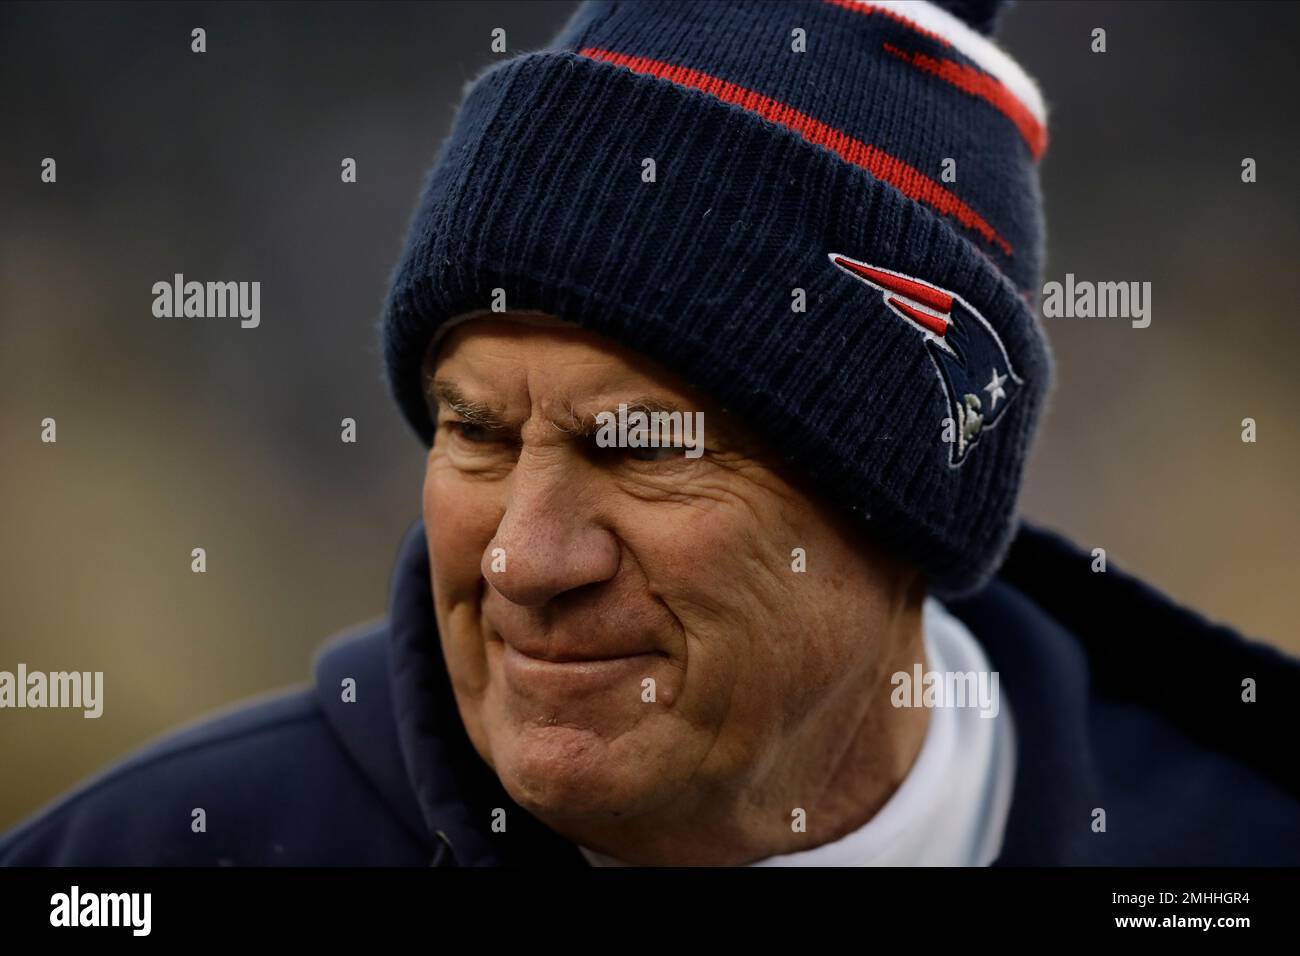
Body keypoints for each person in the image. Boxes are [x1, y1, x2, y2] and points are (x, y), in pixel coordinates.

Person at [3, 0, 1297, 867]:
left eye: (639, 445)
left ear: (903, 500)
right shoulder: (152, 861)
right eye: (475, 433)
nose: (524, 558)